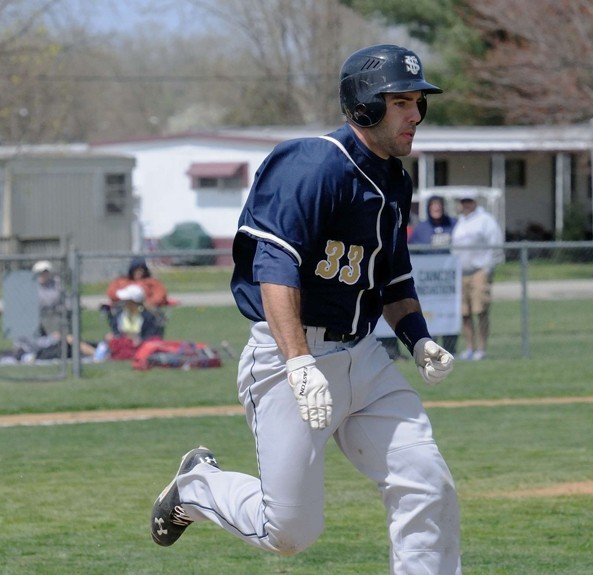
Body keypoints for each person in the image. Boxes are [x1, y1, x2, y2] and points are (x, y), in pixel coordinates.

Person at [149, 45, 461, 574]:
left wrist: (418, 338)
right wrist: (298, 362)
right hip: (289, 357)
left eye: (418, 103)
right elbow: (275, 267)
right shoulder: (314, 163)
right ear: (363, 106)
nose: (415, 115)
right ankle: (196, 487)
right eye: (401, 102)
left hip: (364, 357)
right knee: (290, 532)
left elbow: (393, 279)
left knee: (427, 482)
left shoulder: (394, 179)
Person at [451, 190, 503, 360]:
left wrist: (487, 269)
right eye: (463, 201)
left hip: (479, 271)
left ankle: (482, 349)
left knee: (480, 311)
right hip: (462, 273)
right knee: (465, 312)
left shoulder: (485, 220)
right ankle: (469, 348)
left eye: (469, 201)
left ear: (475, 202)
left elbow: (496, 244)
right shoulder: (460, 222)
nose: (465, 204)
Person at [409, 195, 459, 351]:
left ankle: (451, 347)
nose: (436, 208)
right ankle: (432, 347)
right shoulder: (421, 228)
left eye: (439, 205)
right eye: (433, 205)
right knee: (431, 314)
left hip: (450, 281)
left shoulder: (454, 224)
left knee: (450, 313)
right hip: (430, 282)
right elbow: (412, 250)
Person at [105, 284, 163, 360]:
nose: (124, 302)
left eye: (126, 300)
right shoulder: (120, 314)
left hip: (139, 346)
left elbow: (151, 335)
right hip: (123, 342)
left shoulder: (148, 316)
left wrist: (140, 340)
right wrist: (112, 336)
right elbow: (116, 332)